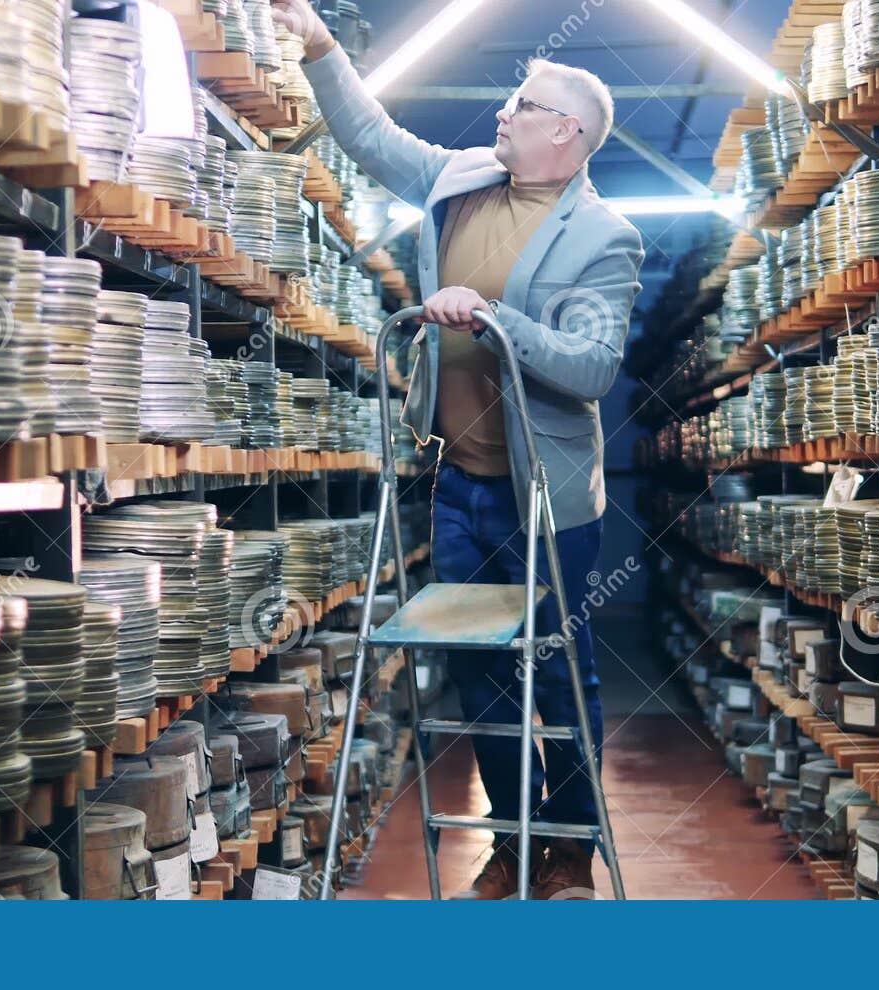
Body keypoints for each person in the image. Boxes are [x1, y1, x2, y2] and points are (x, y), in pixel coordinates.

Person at [273, 0, 644, 899]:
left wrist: (492, 316)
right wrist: (321, 49)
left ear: (566, 132)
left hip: (544, 497)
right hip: (462, 485)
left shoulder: (605, 238)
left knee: (560, 676)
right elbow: (371, 139)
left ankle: (569, 851)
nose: (501, 116)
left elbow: (592, 368)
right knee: (480, 673)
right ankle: (514, 840)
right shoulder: (464, 179)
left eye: (520, 105)